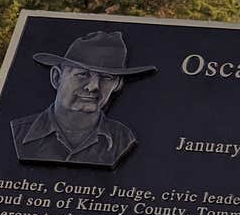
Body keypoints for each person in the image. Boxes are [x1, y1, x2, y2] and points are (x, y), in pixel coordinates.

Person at [11, 30, 155, 168]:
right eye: (82, 74)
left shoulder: (124, 140)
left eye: (106, 77)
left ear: (117, 85)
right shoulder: (16, 135)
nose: (93, 86)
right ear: (57, 77)